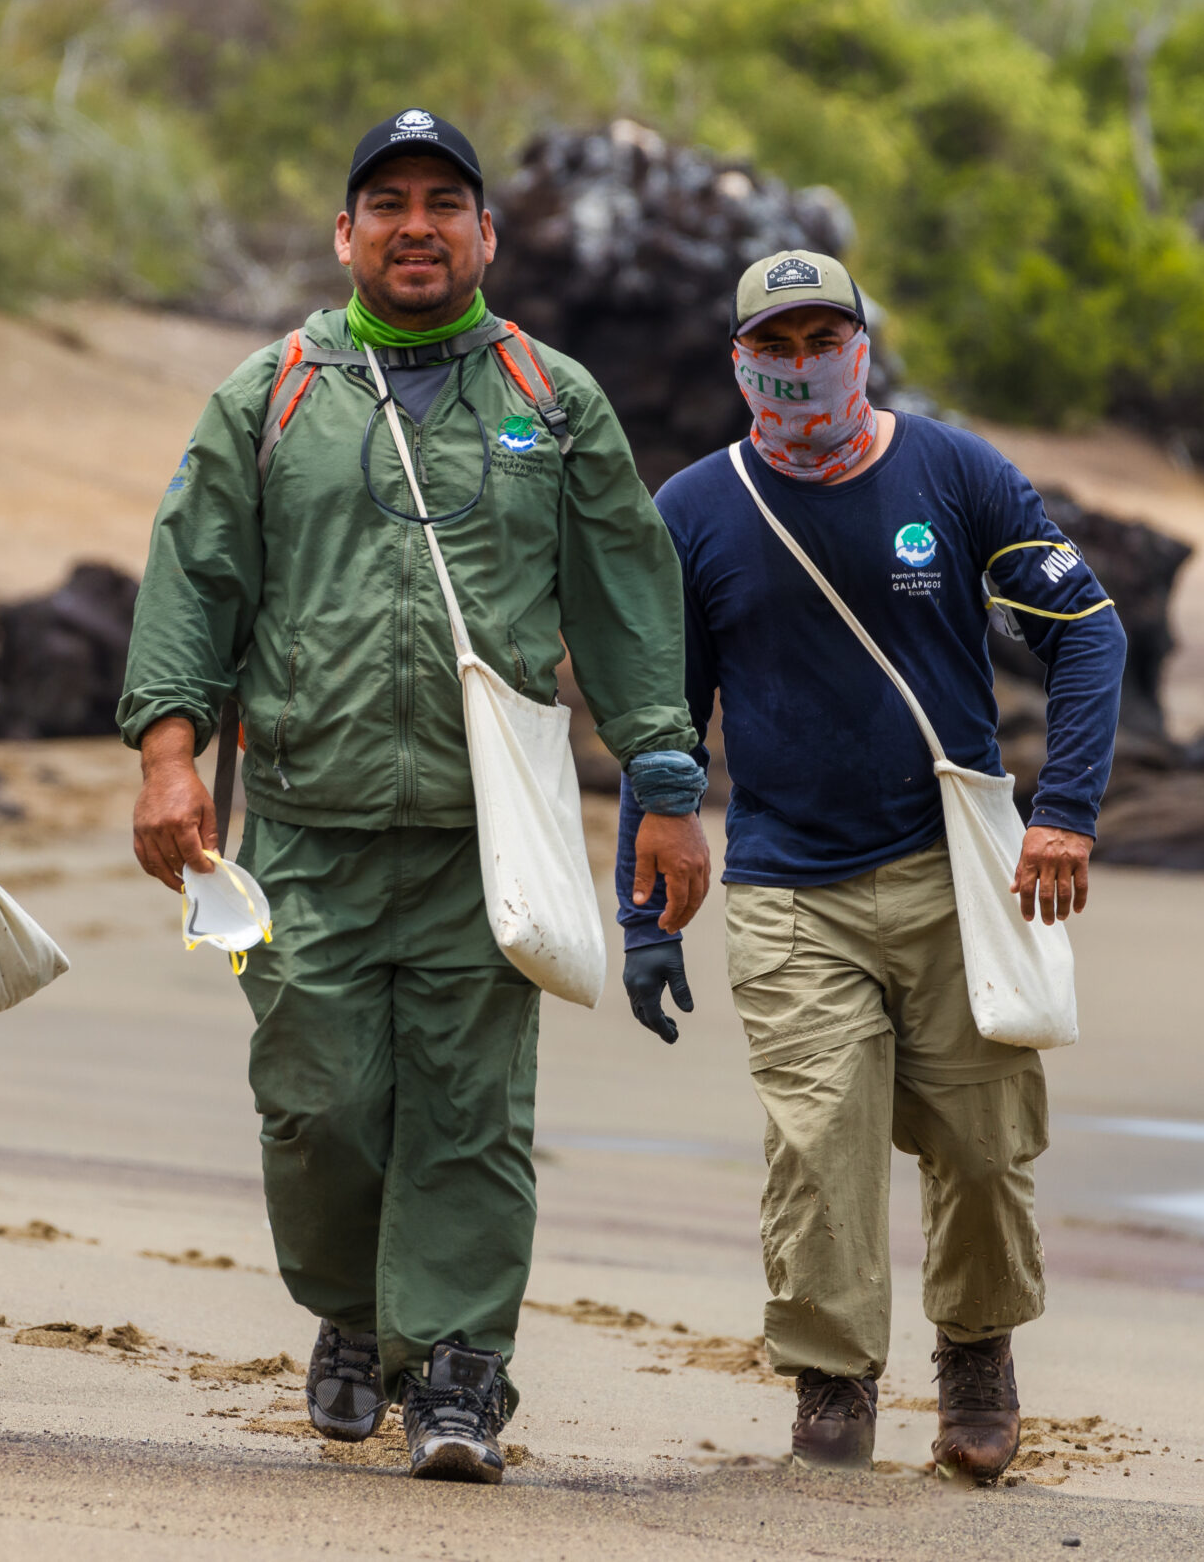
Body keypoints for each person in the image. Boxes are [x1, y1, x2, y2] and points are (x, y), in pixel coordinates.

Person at [119, 108, 711, 1485]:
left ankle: (456, 1369)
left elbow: (628, 597)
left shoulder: (550, 398)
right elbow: (196, 575)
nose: (417, 225)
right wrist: (168, 753)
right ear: (346, 235)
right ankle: (348, 1313)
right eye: (387, 203)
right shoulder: (268, 392)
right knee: (316, 1103)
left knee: (466, 1109)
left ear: (485, 234)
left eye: (445, 202)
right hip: (307, 828)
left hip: (485, 835)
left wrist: (667, 782)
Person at [613, 249, 1127, 1480]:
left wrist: (1065, 809)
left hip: (960, 879)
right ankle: (831, 1384)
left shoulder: (955, 473)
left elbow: (1088, 631)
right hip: (787, 886)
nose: (802, 367)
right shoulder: (693, 509)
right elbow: (656, 726)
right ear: (740, 361)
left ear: (862, 343)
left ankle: (976, 1358)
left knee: (984, 1147)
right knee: (818, 1143)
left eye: (821, 340)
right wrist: (642, 920)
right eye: (775, 346)